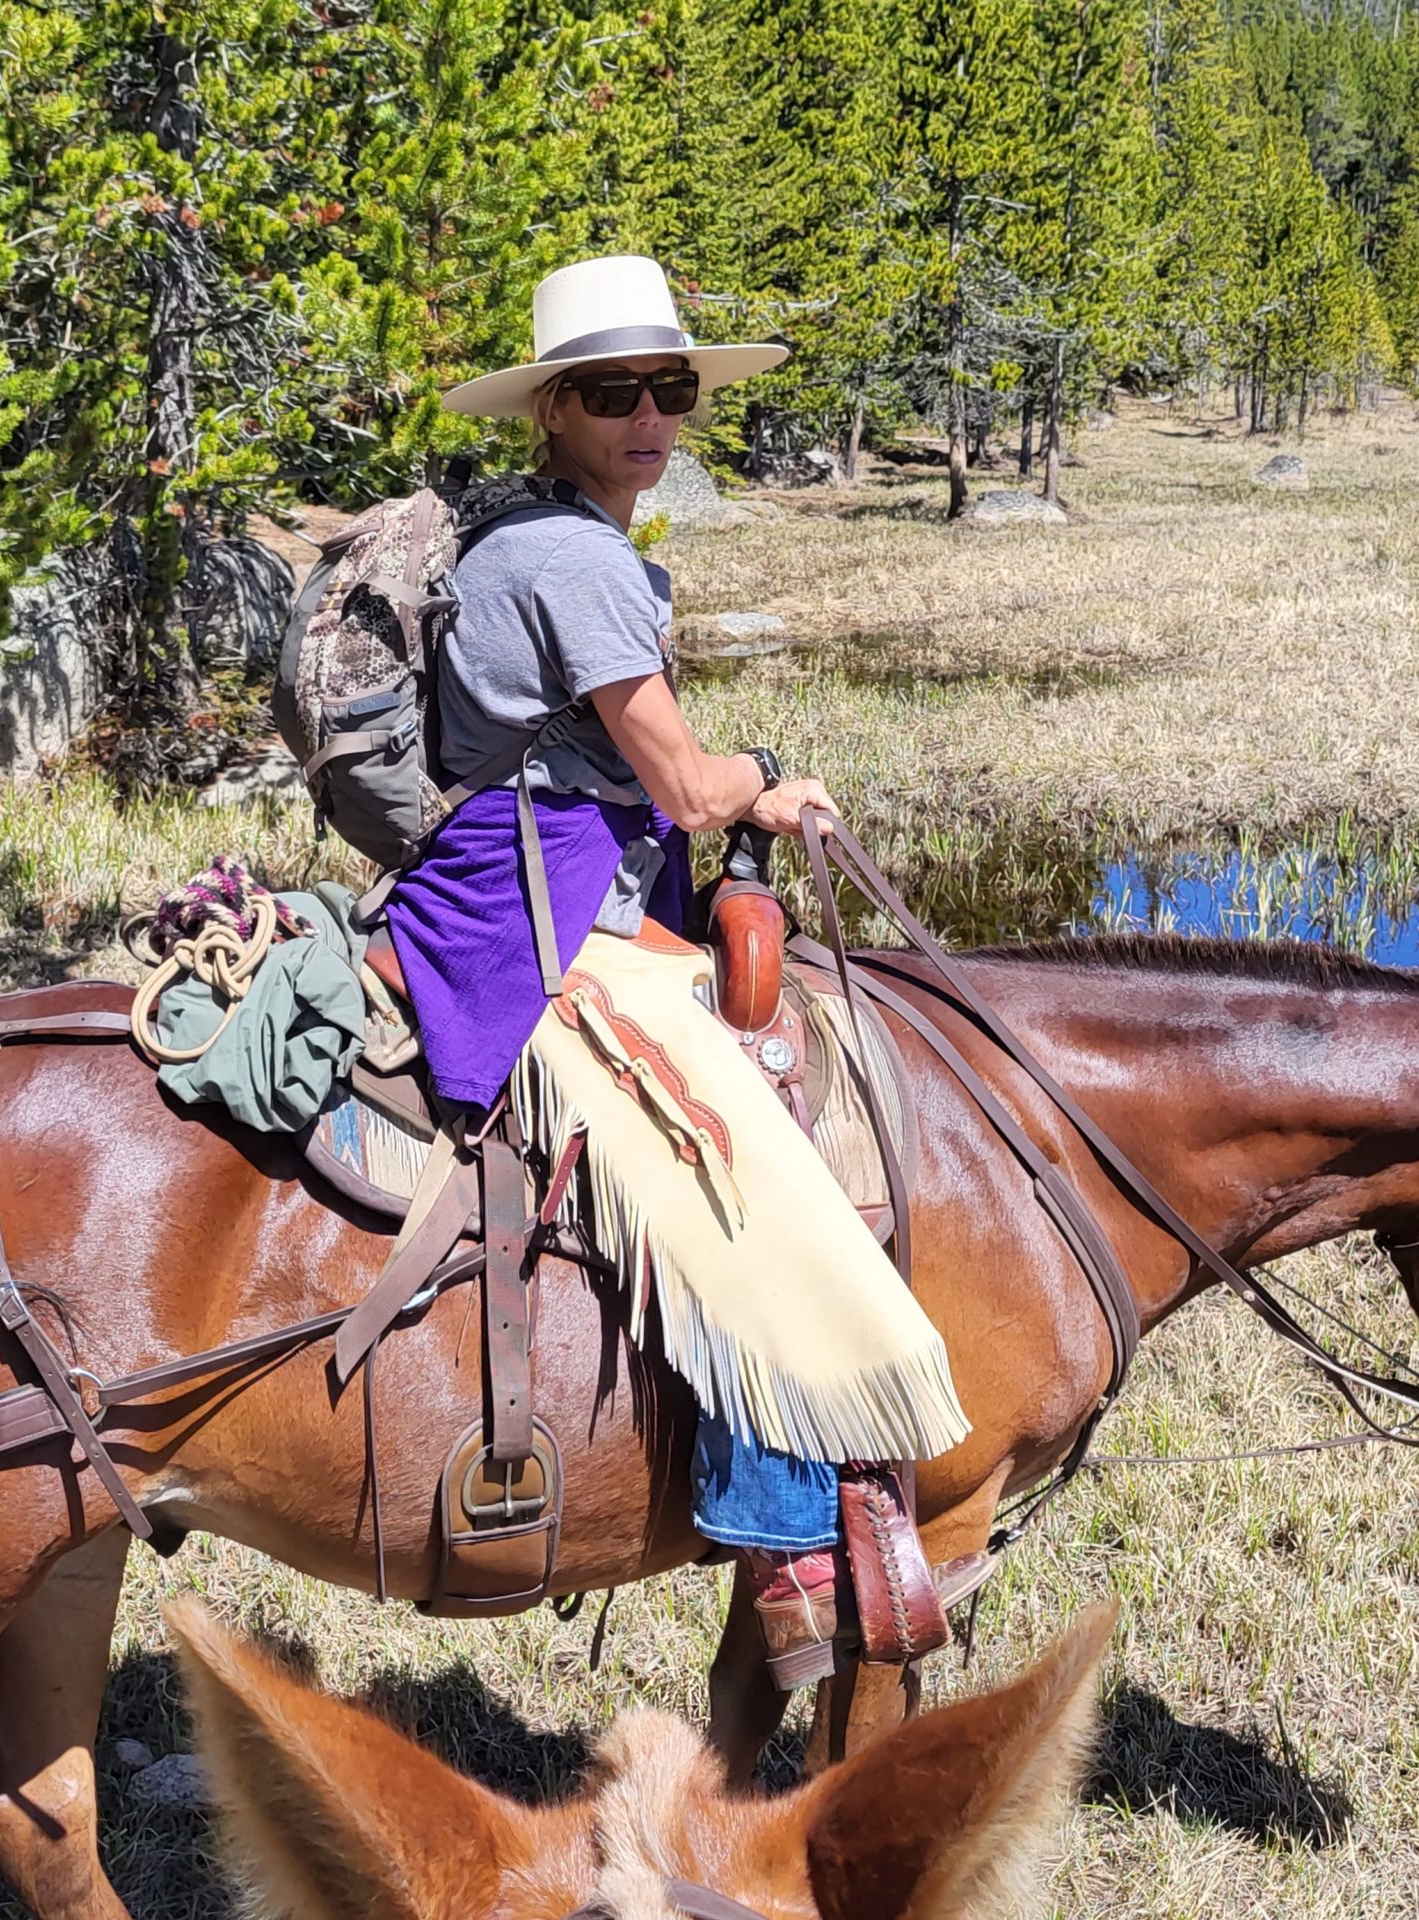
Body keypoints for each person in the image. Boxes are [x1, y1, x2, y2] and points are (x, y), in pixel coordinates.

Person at [389, 255, 961, 1682]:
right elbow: (687, 788)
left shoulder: (537, 533)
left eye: (670, 388)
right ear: (554, 411)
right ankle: (782, 1546)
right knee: (735, 1151)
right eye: (611, 393)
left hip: (550, 875)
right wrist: (764, 777)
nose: (649, 415)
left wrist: (722, 789)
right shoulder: (577, 560)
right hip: (539, 915)